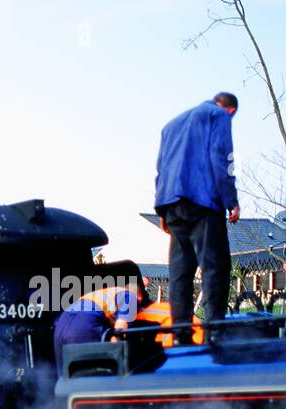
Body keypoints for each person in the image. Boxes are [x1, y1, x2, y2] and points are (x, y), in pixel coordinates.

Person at [154, 93, 240, 343]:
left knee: (180, 272)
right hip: (202, 201)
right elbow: (222, 157)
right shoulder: (219, 115)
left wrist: (162, 210)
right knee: (215, 267)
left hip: (172, 203)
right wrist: (230, 199)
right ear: (230, 109)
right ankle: (215, 336)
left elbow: (161, 169)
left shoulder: (171, 125)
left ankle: (181, 336)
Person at [53, 281, 139, 372]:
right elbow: (118, 332)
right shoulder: (131, 296)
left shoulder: (104, 293)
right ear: (139, 297)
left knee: (65, 378)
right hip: (84, 322)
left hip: (62, 322)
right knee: (90, 376)